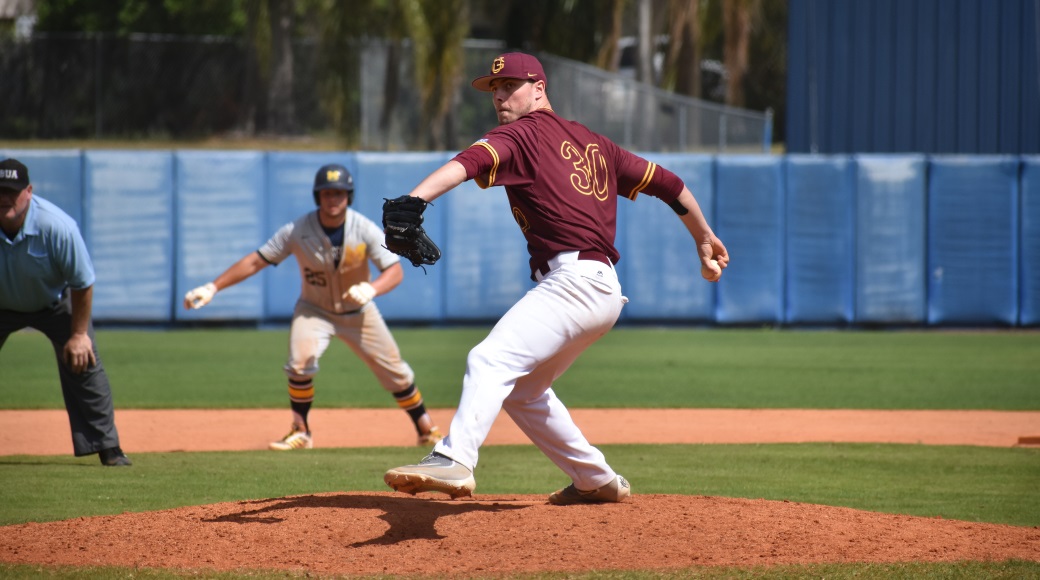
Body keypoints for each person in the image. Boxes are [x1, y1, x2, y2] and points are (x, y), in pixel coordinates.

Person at [382, 52, 728, 504]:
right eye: (495, 89)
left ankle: (455, 457)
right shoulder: (597, 143)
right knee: (524, 391)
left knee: (489, 360)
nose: (501, 96)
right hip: (600, 290)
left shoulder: (521, 134)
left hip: (574, 282)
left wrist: (414, 200)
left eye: (510, 86)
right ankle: (595, 479)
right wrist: (703, 235)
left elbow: (467, 163)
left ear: (539, 88)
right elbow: (669, 184)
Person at [183, 163, 444, 450]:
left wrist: (372, 289)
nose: (333, 199)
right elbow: (256, 260)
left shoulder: (364, 228)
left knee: (396, 372)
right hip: (314, 310)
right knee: (300, 362)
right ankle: (301, 431)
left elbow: (394, 271)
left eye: (339, 193)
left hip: (359, 313)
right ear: (317, 196)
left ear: (349, 196)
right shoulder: (297, 230)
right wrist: (213, 286)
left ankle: (426, 429)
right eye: (327, 193)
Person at [0, 158, 132, 467]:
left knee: (83, 360)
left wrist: (78, 334)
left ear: (28, 192)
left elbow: (82, 282)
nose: (4, 197)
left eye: (12, 191)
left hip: (54, 304)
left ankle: (108, 448)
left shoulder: (56, 226)